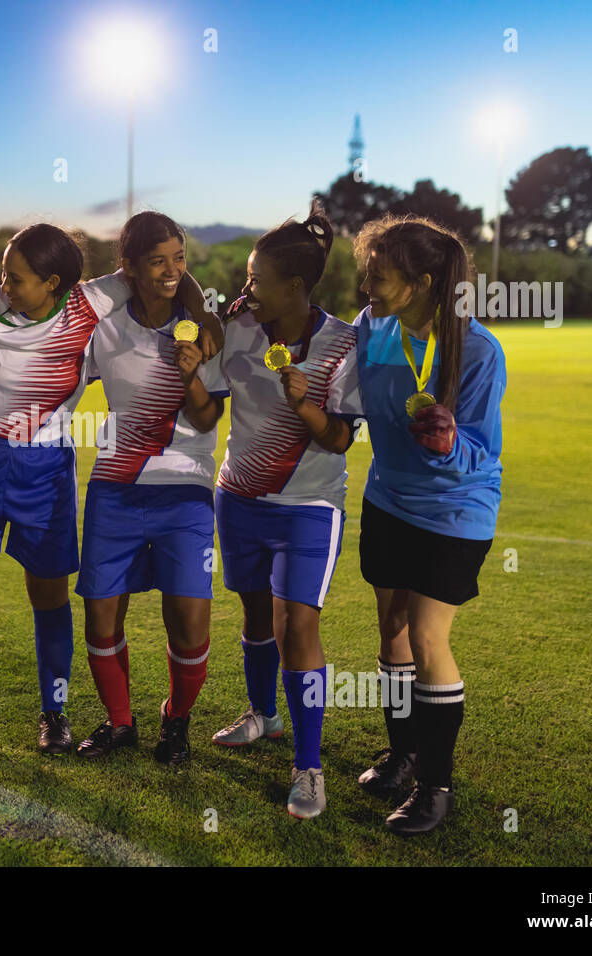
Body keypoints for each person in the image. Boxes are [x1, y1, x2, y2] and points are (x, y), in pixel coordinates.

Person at [0, 224, 224, 754]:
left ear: (53, 282)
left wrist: (205, 314)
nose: (2, 285)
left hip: (45, 468)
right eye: (2, 273)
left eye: (15, 277)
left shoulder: (86, 306)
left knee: (50, 597)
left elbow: (164, 272)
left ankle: (54, 714)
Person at [351, 214, 505, 835]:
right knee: (391, 632)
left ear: (419, 282)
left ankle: (435, 787)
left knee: (426, 636)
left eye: (379, 275)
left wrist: (450, 444)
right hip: (388, 500)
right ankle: (402, 754)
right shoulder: (372, 327)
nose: (367, 284)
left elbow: (483, 450)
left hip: (454, 508)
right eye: (366, 271)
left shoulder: (477, 350)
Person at [209, 202, 361, 819]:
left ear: (294, 287)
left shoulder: (342, 342)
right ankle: (263, 715)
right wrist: (204, 339)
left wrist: (304, 402)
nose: (248, 287)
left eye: (257, 278)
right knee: (253, 612)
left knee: (298, 623)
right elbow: (203, 404)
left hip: (309, 506)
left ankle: (309, 767)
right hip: (240, 496)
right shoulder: (238, 329)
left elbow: (341, 440)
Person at [73, 212, 228, 769]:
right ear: (129, 268)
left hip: (185, 489)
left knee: (189, 620)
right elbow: (59, 365)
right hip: (114, 488)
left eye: (179, 258)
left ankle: (176, 720)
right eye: (157, 260)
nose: (171, 270)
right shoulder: (104, 328)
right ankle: (119, 723)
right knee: (100, 617)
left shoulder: (206, 334)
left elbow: (208, 421)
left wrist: (189, 374)